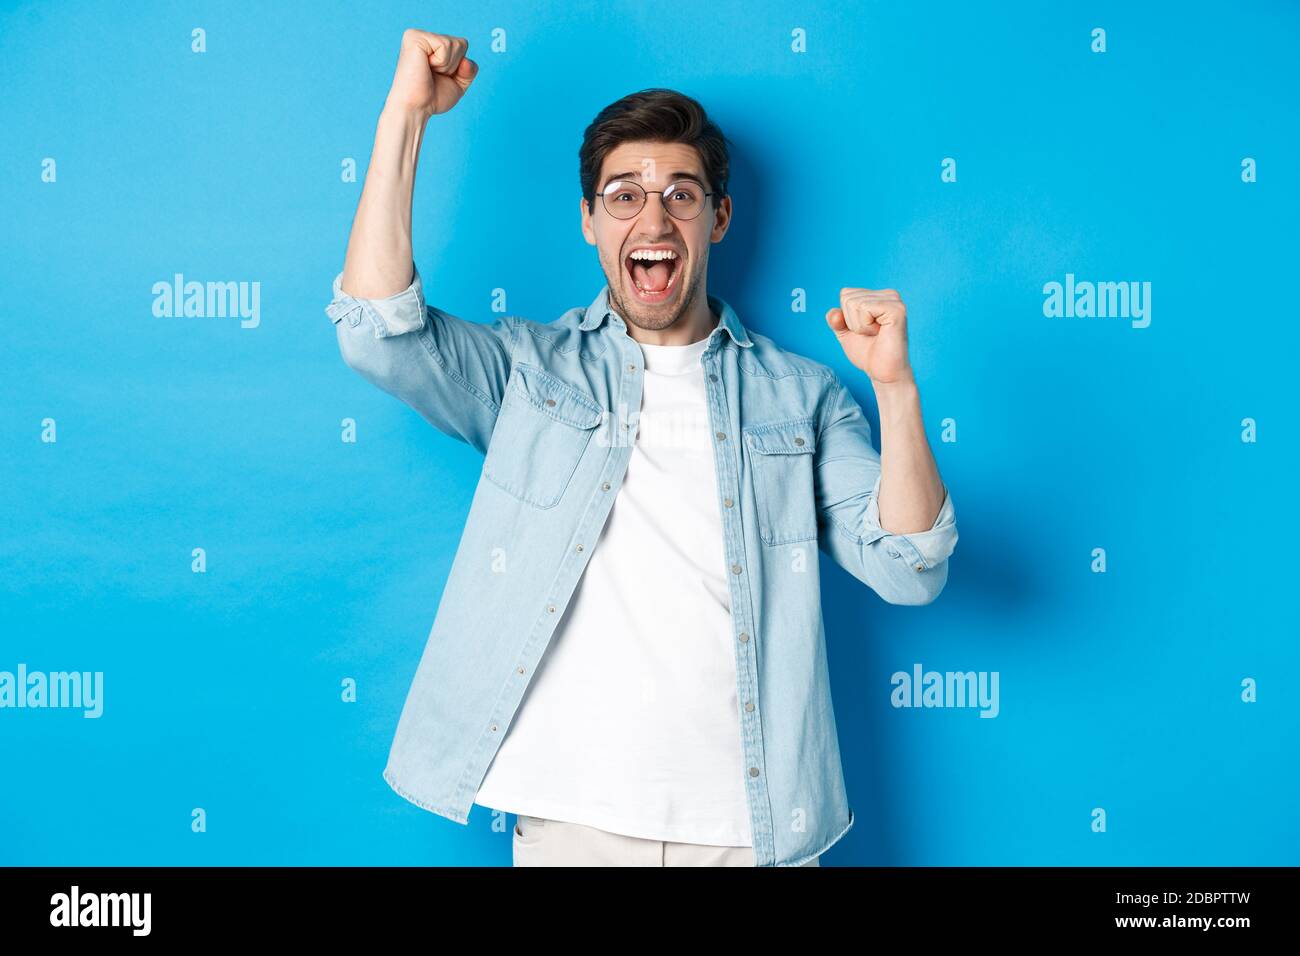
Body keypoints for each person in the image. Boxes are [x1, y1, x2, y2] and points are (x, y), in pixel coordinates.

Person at [325, 29, 959, 867]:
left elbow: (910, 567)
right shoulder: (530, 371)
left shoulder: (800, 395)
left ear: (719, 218)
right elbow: (378, 333)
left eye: (681, 196)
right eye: (623, 196)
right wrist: (406, 114)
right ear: (590, 220)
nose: (652, 218)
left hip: (752, 830)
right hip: (570, 823)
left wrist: (896, 389)